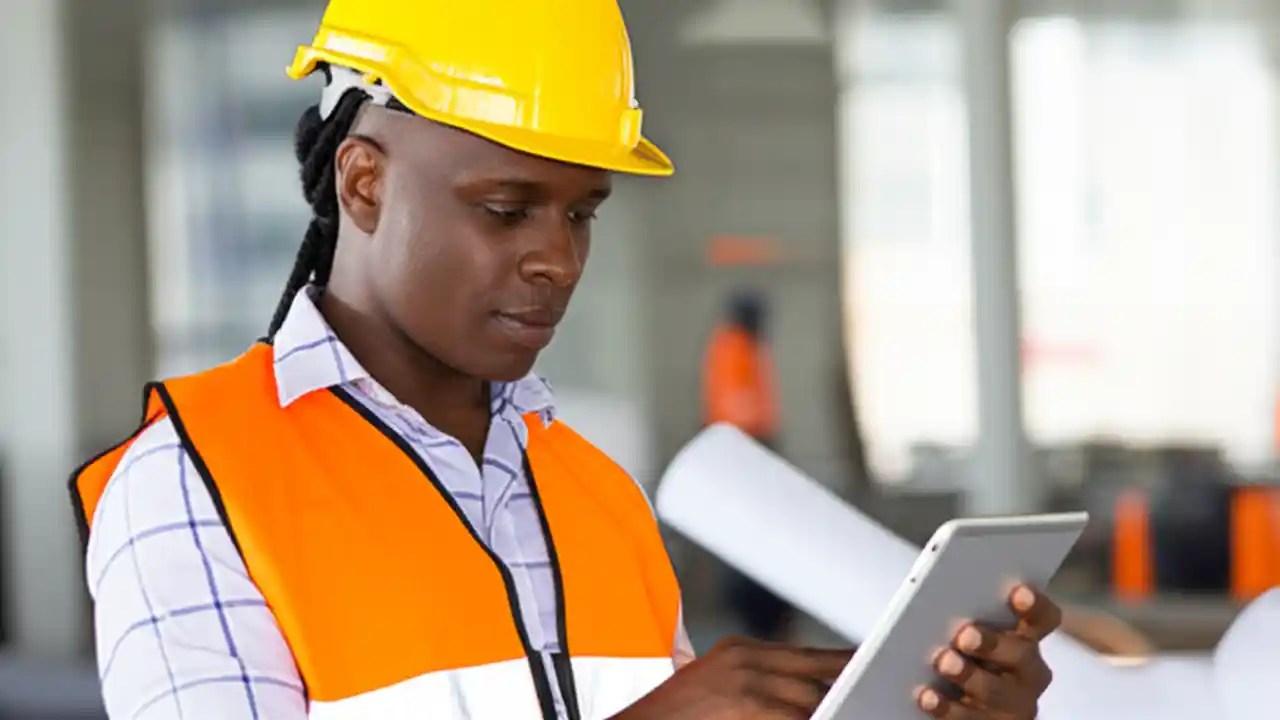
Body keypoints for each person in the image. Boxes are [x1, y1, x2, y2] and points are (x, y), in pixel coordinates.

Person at [70, 1, 1063, 718]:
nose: (555, 259)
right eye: (505, 211)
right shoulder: (194, 486)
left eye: (580, 212)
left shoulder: (593, 497)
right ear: (363, 183)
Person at [703, 290, 795, 641]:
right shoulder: (735, 347)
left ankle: (763, 617)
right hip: (744, 453)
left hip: (747, 450)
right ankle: (760, 617)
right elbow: (740, 408)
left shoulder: (742, 346)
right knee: (753, 544)